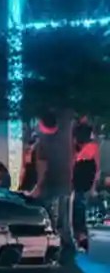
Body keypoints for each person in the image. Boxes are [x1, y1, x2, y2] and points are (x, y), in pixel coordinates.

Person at [30, 111, 76, 263]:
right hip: (65, 181)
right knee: (63, 216)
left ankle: (52, 243)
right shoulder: (64, 132)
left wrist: (38, 186)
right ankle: (67, 243)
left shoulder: (43, 142)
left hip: (51, 183)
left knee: (47, 214)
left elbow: (43, 166)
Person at [72, 121, 99, 251]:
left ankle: (81, 237)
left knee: (79, 210)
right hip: (82, 185)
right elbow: (96, 168)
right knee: (80, 210)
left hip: (80, 185)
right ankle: (81, 237)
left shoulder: (88, 148)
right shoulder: (91, 148)